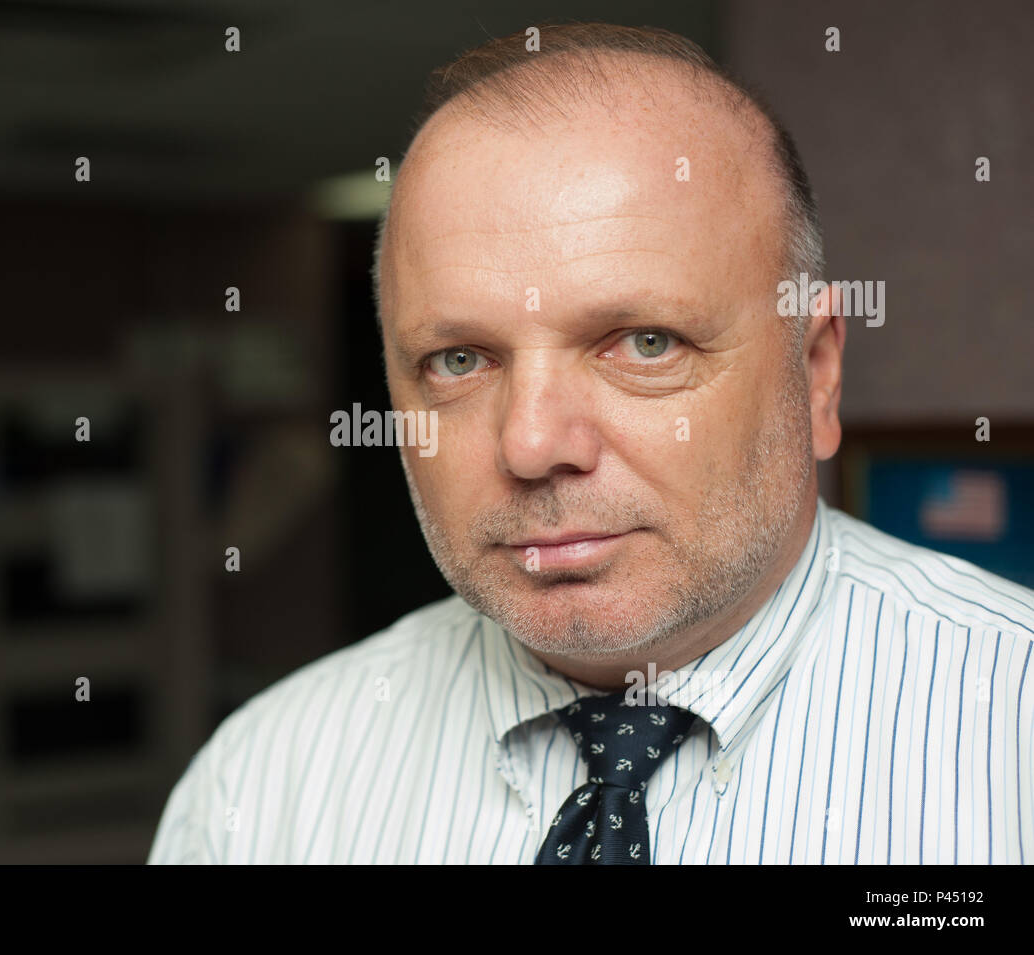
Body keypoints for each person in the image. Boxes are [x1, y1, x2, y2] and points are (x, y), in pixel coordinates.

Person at [148, 22, 1034, 864]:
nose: (532, 444)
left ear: (816, 371)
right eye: (458, 360)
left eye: (646, 343)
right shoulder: (262, 787)